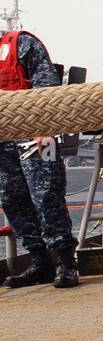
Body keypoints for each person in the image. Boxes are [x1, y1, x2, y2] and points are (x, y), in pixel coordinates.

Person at [0, 28, 78, 288]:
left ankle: (66, 263)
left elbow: (47, 89)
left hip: (38, 136)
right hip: (3, 144)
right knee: (12, 199)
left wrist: (45, 130)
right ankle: (40, 261)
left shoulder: (22, 44)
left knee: (47, 196)